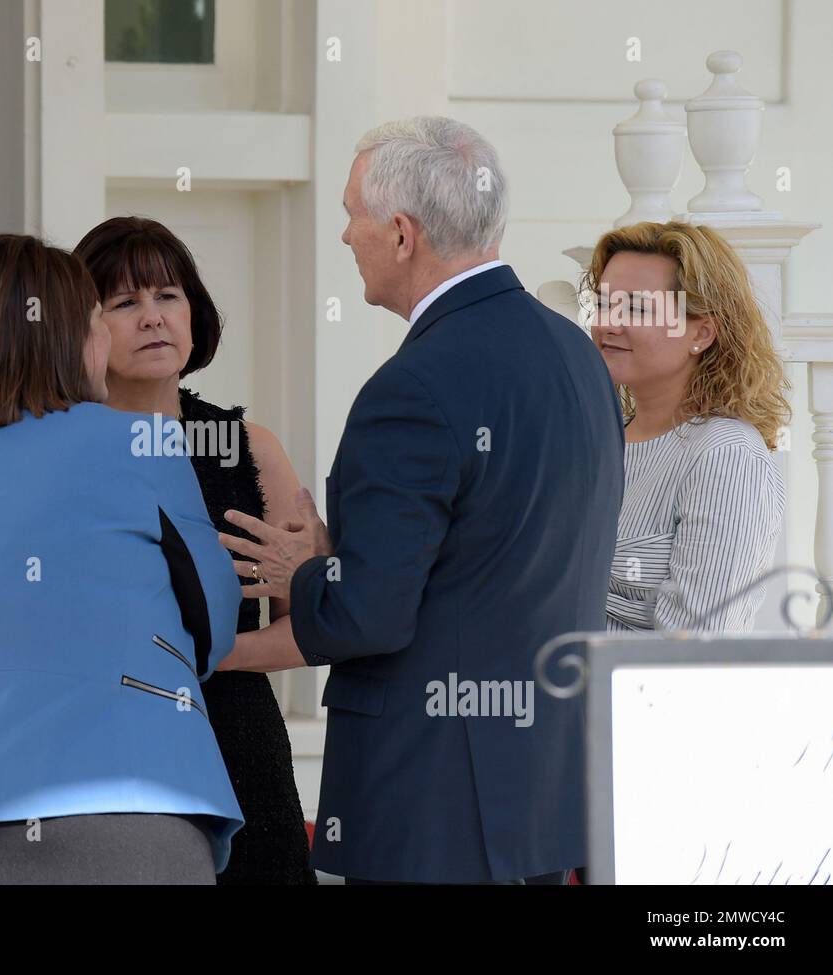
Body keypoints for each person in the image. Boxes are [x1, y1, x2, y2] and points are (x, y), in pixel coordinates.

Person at [218, 116, 624, 884]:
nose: (345, 236)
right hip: (545, 793)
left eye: (352, 215)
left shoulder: (413, 386)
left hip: (431, 801)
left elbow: (368, 614)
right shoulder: (578, 354)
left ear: (402, 234)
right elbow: (494, 559)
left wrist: (307, 570)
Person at [0, 234, 243, 885]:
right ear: (73, 336)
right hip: (126, 806)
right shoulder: (143, 442)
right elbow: (212, 627)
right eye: (101, 318)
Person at [73, 216, 316, 884]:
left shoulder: (253, 448)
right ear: (84, 326)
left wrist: (218, 653)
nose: (152, 317)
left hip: (240, 745)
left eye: (167, 295)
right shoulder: (56, 452)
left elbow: (312, 626)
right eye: (125, 302)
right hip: (106, 753)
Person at [586, 221, 787, 631]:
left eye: (638, 308)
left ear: (702, 332)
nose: (609, 323)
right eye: (605, 304)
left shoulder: (726, 455)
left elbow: (696, 649)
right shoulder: (593, 442)